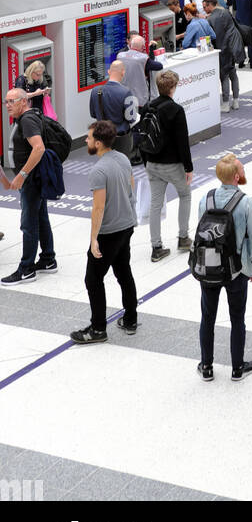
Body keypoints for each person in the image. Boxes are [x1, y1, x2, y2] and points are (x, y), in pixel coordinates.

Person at [195, 152, 252, 382]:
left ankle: (206, 366)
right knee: (237, 318)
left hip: (209, 267)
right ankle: (237, 368)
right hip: (237, 269)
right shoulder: (246, 202)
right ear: (235, 177)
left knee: (207, 317)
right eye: (241, 169)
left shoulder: (205, 200)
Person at [70, 119, 138, 343]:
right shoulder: (123, 158)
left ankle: (98, 329)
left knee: (93, 279)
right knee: (123, 272)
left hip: (109, 232)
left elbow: (98, 208)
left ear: (98, 143)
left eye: (89, 138)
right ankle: (130, 319)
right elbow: (131, 187)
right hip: (127, 225)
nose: (86, 140)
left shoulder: (98, 171)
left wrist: (93, 239)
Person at [0, 86, 55, 284]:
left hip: (32, 180)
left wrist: (22, 175)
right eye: (6, 101)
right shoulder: (23, 119)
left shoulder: (27, 120)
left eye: (11, 101)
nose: (7, 105)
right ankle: (48, 259)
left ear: (23, 102)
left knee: (29, 223)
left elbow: (38, 148)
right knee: (41, 218)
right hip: (33, 178)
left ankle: (26, 269)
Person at [144, 69, 194, 262]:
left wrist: (147, 161)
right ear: (173, 87)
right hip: (172, 164)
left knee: (155, 204)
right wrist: (188, 167)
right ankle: (183, 237)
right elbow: (182, 142)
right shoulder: (176, 110)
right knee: (185, 194)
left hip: (152, 163)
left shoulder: (148, 107)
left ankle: (156, 247)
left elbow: (143, 136)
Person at [88, 60, 137, 159]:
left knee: (105, 162)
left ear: (109, 72)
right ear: (123, 72)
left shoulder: (95, 91)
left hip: (102, 137)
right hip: (120, 138)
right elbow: (131, 118)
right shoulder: (126, 92)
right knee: (121, 163)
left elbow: (93, 114)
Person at [203, 0, 244, 110]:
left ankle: (225, 104)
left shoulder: (211, 19)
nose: (204, 9)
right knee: (233, 75)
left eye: (205, 7)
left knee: (224, 76)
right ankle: (236, 101)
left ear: (210, 6)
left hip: (222, 50)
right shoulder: (225, 12)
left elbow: (213, 38)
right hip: (233, 47)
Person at [116, 34, 162, 109]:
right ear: (143, 47)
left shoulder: (120, 55)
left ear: (131, 45)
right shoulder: (142, 58)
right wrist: (151, 50)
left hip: (123, 95)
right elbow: (159, 66)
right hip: (139, 99)